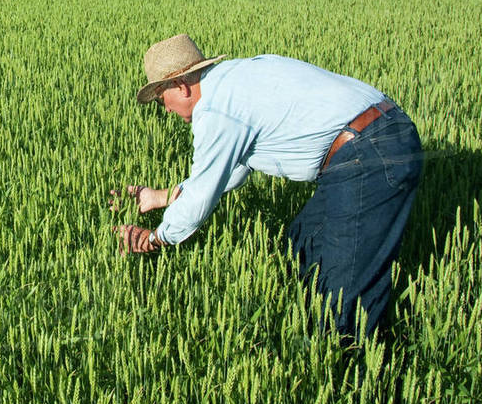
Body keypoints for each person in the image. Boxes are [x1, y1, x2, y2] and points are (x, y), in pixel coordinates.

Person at [112, 34, 423, 338]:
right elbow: (230, 172)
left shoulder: (217, 109)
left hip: (369, 154)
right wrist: (162, 197)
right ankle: (316, 330)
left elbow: (200, 200)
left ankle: (353, 366)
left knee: (344, 289)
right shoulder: (234, 80)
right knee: (303, 240)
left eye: (161, 100)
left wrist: (154, 239)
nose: (165, 109)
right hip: (377, 136)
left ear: (180, 86)